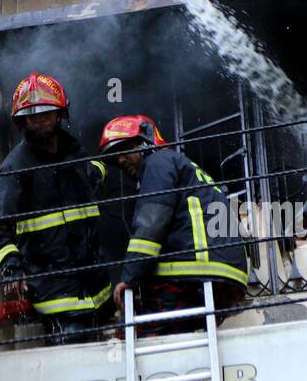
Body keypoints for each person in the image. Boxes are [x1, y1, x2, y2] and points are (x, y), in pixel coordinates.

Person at [0, 73, 113, 345]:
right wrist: (12, 268)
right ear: (23, 121)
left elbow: (93, 173)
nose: (40, 119)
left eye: (46, 113)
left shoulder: (76, 153)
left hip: (100, 294)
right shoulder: (16, 167)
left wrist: (98, 174)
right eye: (32, 115)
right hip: (58, 301)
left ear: (59, 114)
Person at [100, 114, 249, 334]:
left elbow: (151, 224)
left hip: (195, 274)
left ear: (146, 142)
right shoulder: (184, 168)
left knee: (135, 331)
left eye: (124, 149)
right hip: (225, 276)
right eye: (114, 158)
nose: (120, 161)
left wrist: (129, 278)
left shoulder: (158, 162)